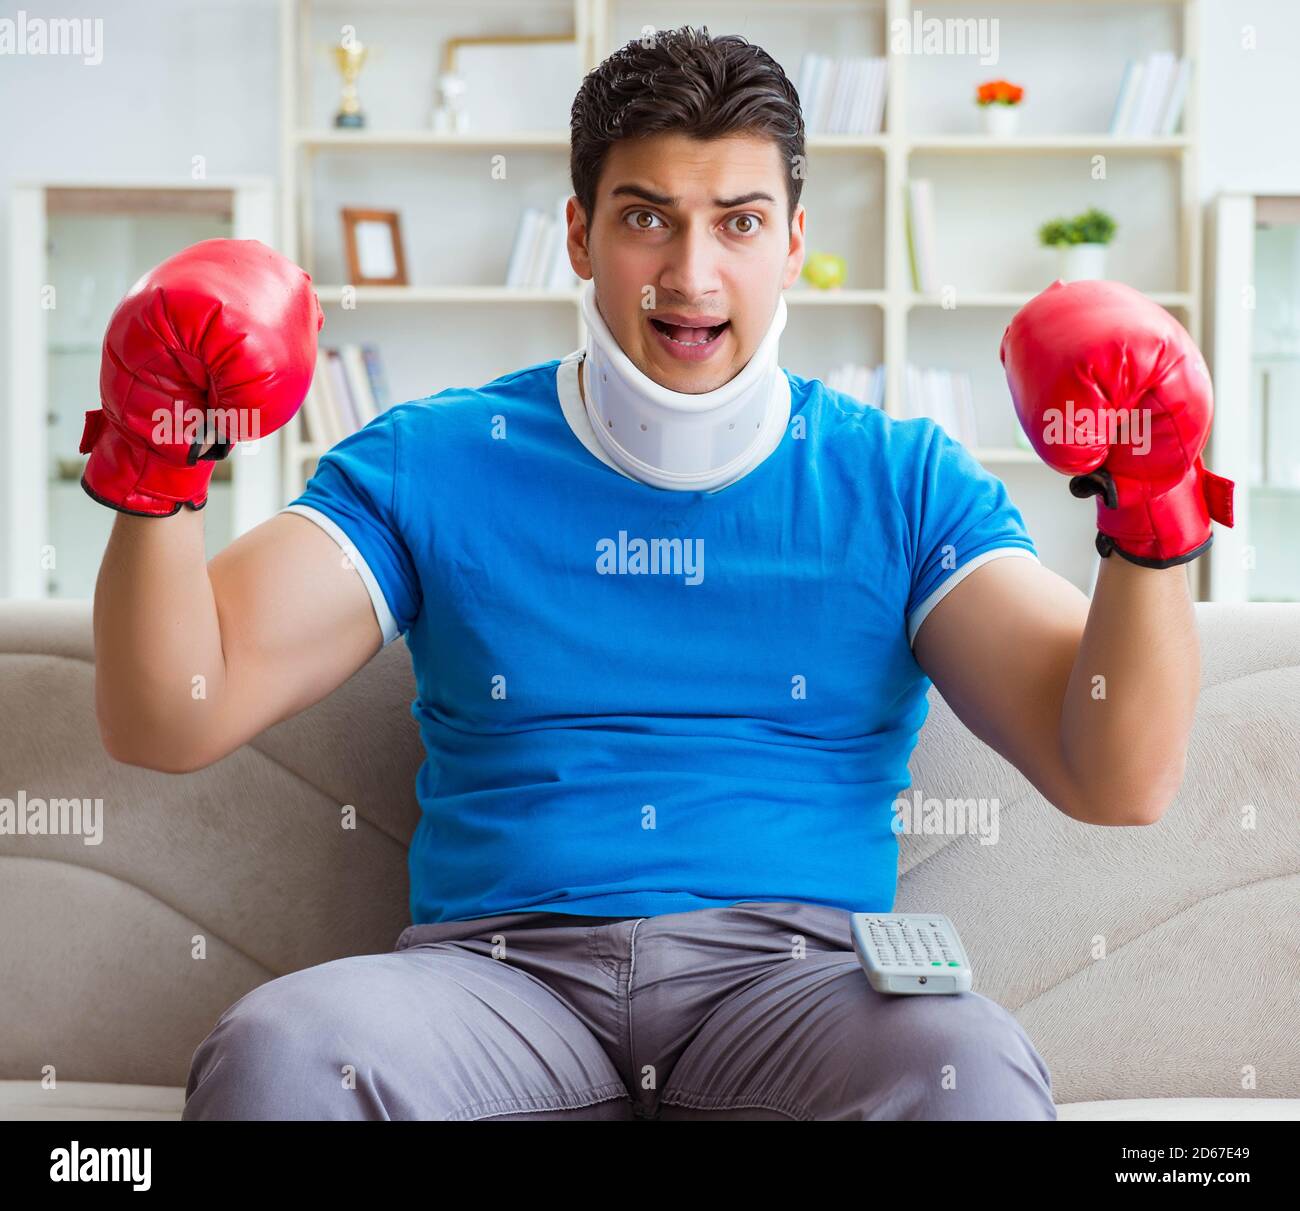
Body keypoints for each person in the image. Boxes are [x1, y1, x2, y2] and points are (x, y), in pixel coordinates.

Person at [86, 26, 1229, 1121]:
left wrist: (1153, 508)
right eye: (648, 219)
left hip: (798, 989)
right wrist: (152, 464)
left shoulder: (899, 480)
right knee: (280, 1052)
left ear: (790, 242)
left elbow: (1115, 778)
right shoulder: (437, 458)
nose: (691, 274)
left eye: (738, 222)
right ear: (580, 235)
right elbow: (170, 715)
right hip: (496, 982)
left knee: (966, 1065)